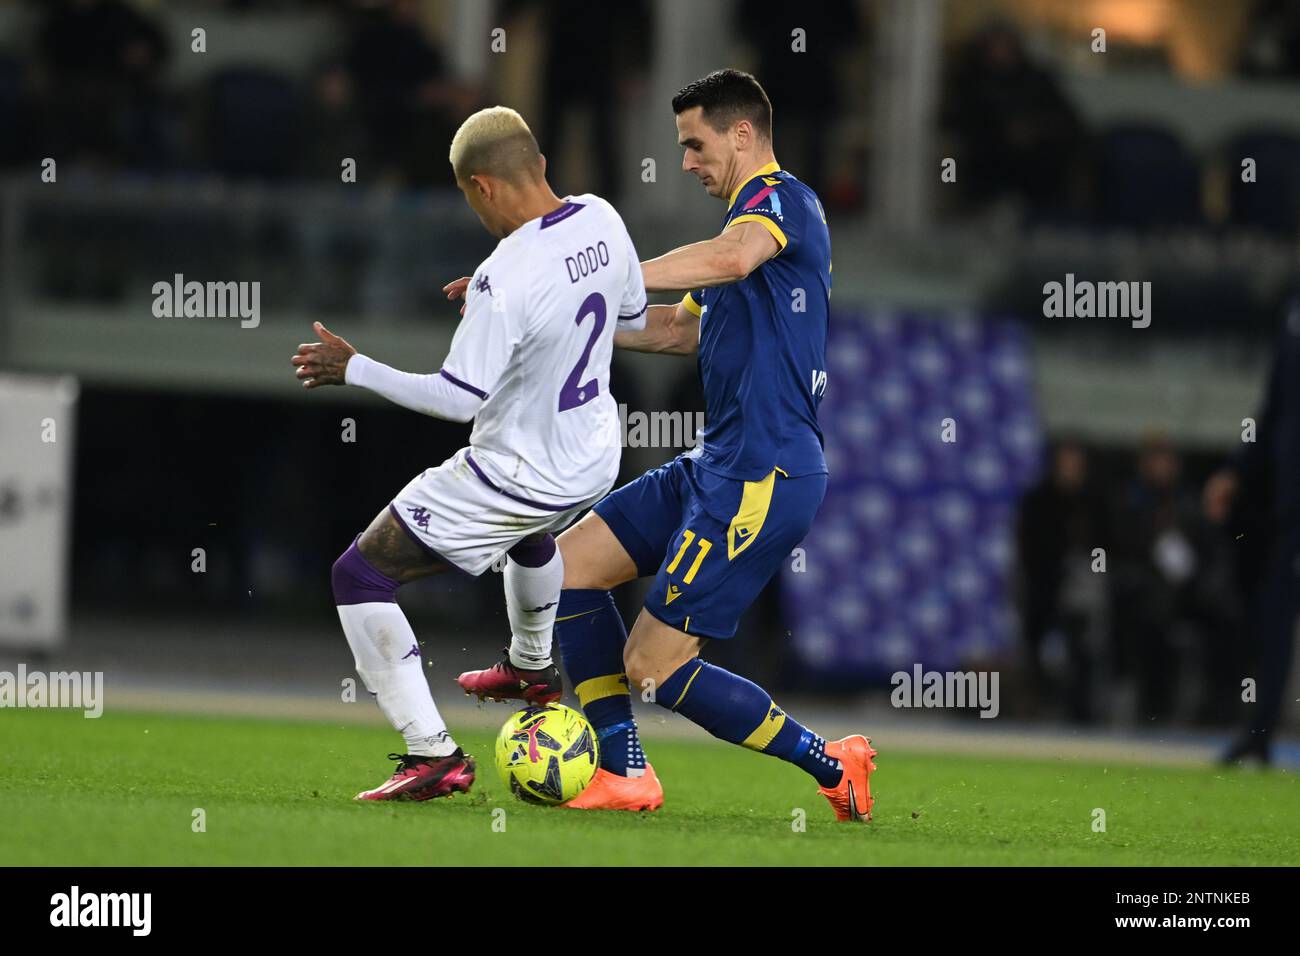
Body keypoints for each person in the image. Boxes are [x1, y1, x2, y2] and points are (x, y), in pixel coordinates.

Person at [456, 70, 877, 822]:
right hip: (717, 460)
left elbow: (730, 260)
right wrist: (542, 307)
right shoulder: (740, 232)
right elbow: (675, 328)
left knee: (654, 665)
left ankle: (831, 763)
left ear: (742, 133)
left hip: (766, 474)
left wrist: (580, 273)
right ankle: (627, 773)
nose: (685, 162)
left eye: (694, 144)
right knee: (568, 569)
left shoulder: (781, 203)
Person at [291, 106, 646, 800]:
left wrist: (352, 366)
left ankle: (432, 755)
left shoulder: (503, 275)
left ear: (481, 187)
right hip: (593, 457)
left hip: (518, 471)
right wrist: (503, 304)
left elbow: (457, 399)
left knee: (358, 575)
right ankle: (533, 668)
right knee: (530, 535)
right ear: (540, 165)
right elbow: (624, 316)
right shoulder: (603, 218)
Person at [1204, 292, 1300, 765]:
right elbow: (1274, 409)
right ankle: (1260, 731)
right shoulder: (1293, 313)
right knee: (1274, 615)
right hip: (1291, 503)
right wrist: (1237, 470)